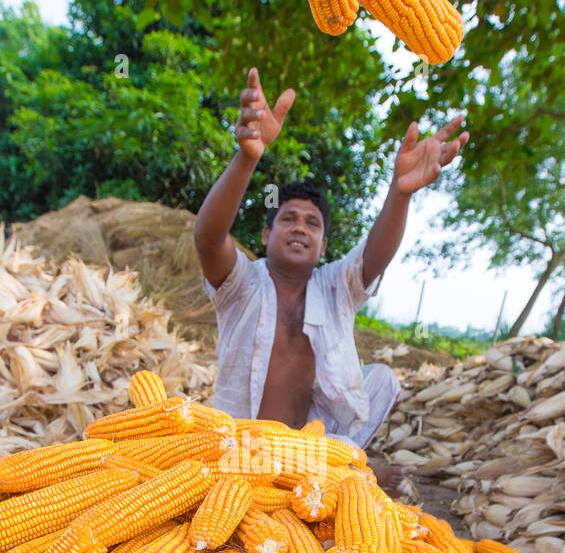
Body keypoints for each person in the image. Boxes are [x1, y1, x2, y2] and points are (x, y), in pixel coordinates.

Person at [194, 66, 469, 460]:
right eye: (287, 219)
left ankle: (347, 464)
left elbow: (373, 257)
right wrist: (246, 157)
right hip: (240, 452)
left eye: (312, 223)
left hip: (309, 454)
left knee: (382, 381)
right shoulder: (241, 284)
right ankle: (353, 469)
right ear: (267, 235)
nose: (299, 229)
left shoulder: (333, 286)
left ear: (322, 246)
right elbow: (208, 238)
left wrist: (400, 192)